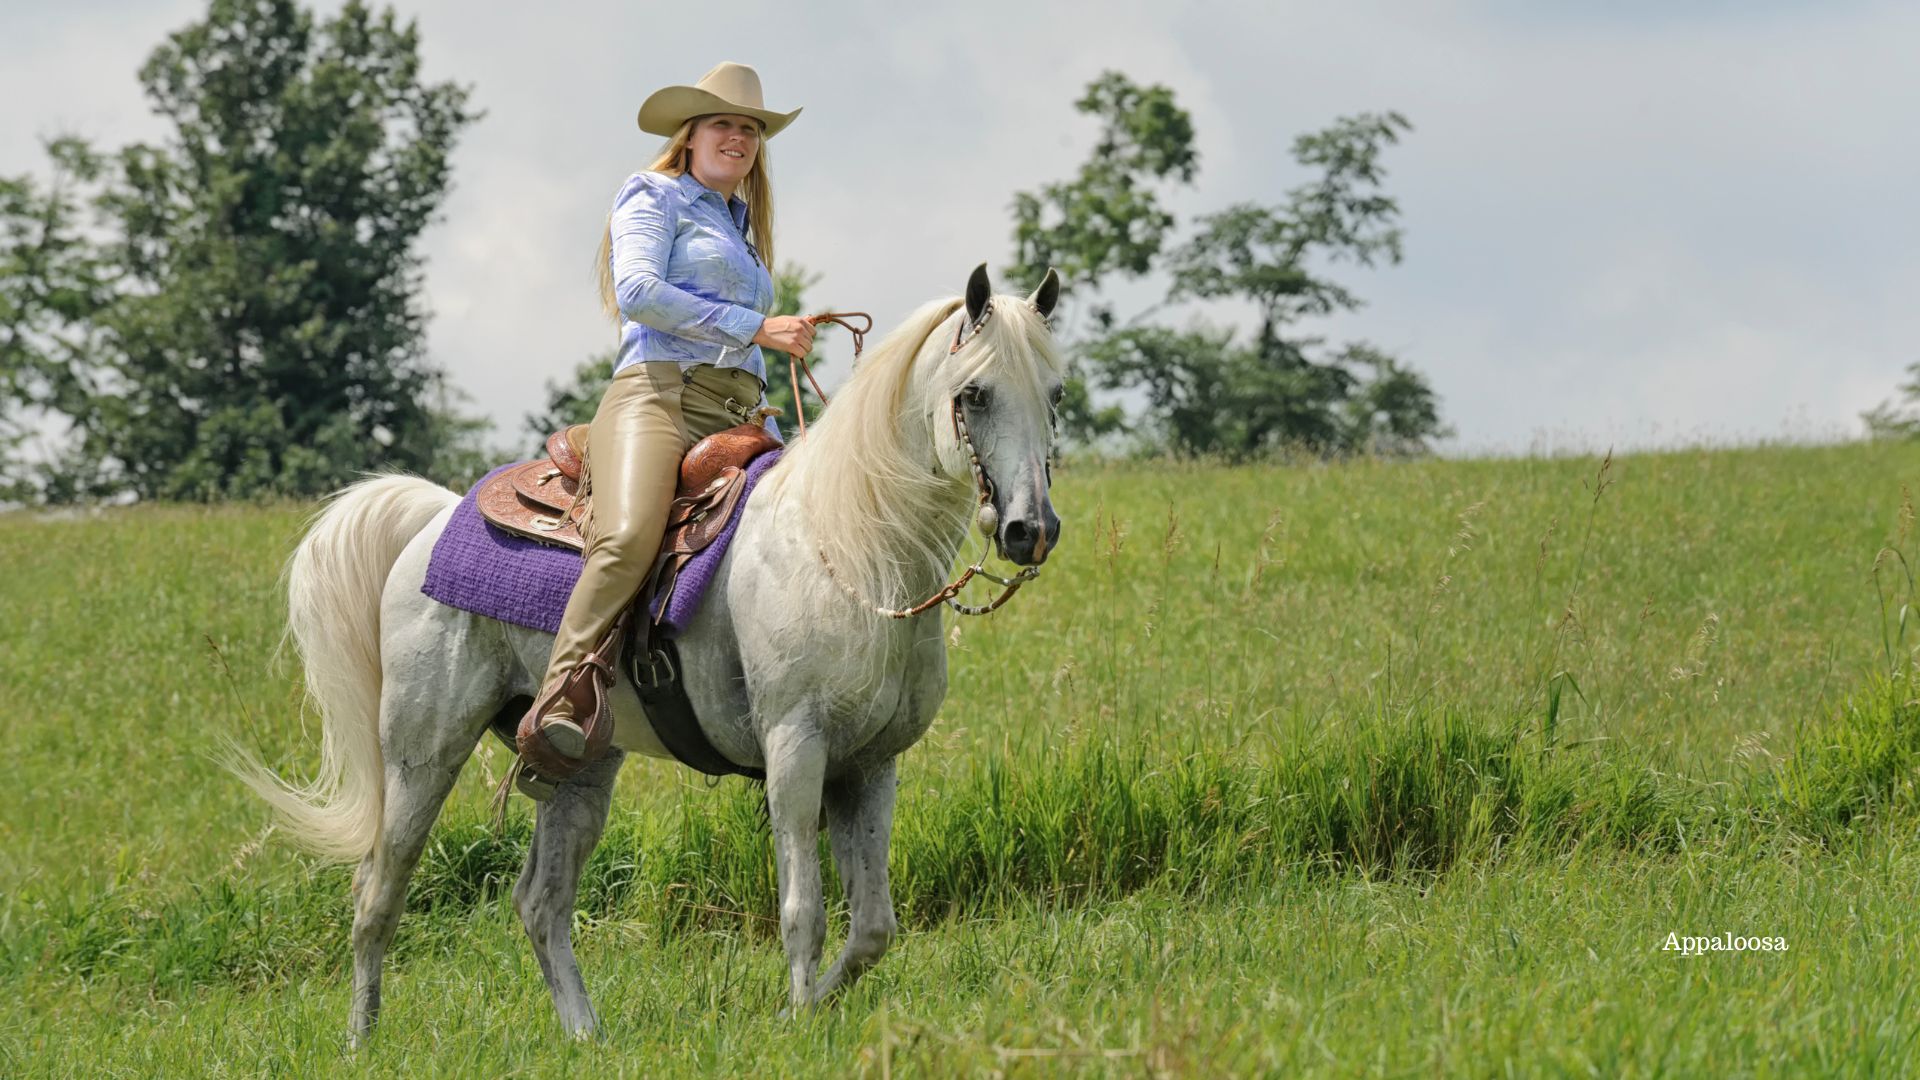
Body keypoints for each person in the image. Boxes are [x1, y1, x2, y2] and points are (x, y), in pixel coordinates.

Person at [518, 61, 817, 797]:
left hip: (735, 409)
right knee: (626, 536)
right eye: (724, 124)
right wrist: (759, 325)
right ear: (689, 136)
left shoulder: (741, 223)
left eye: (751, 129)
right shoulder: (651, 193)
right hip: (658, 395)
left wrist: (773, 343)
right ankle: (563, 698)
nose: (739, 139)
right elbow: (639, 293)